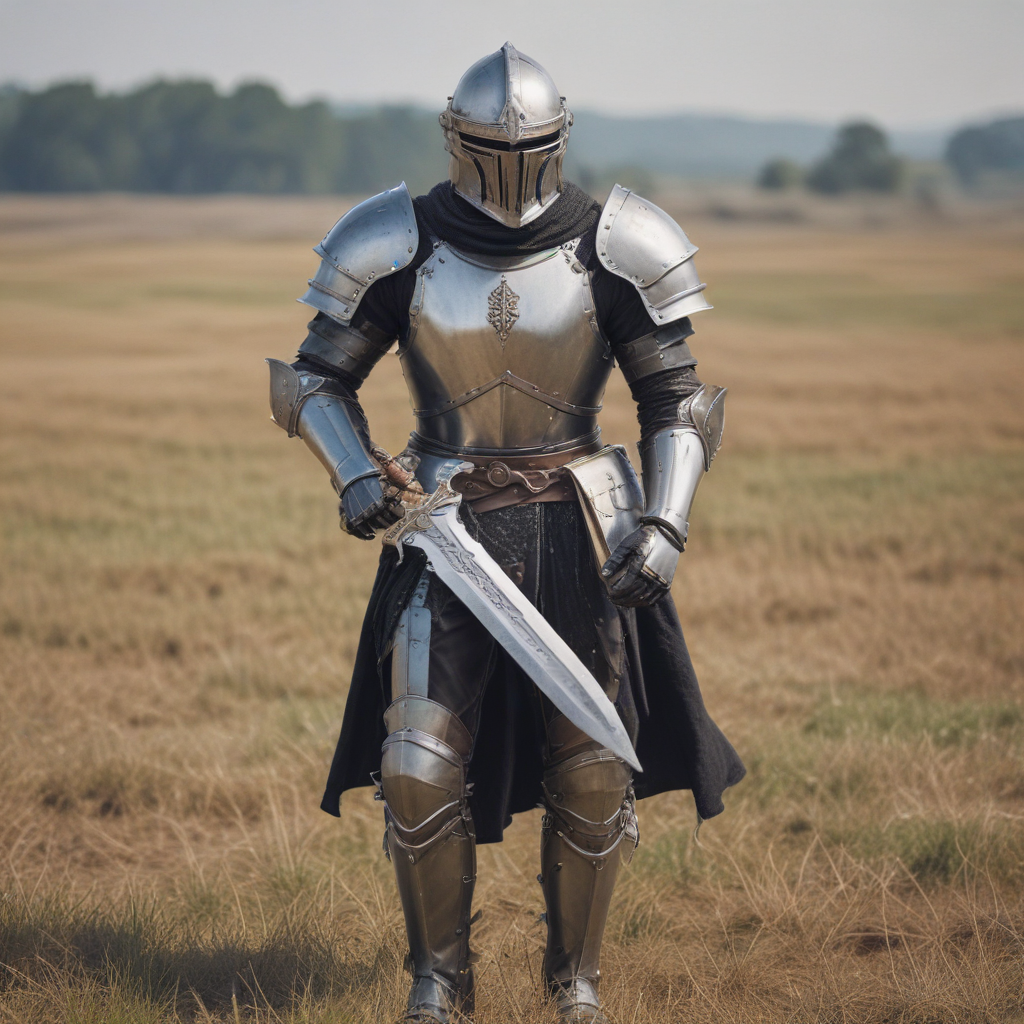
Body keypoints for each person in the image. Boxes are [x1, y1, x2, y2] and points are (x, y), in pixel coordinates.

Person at [267, 42, 745, 1024]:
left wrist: (665, 522)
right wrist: (354, 473)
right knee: (416, 762)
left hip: (583, 524)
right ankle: (440, 977)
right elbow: (315, 377)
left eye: (529, 145)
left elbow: (677, 399)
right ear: (455, 138)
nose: (512, 163)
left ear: (561, 138)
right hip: (442, 527)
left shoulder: (618, 241)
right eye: (493, 145)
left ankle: (575, 980)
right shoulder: (393, 239)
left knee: (594, 762)